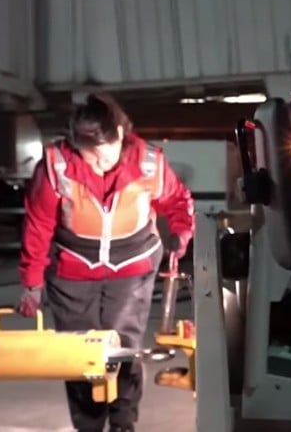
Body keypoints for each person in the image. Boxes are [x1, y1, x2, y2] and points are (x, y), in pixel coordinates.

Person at [16, 94, 195, 432]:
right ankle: (88, 425)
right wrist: (32, 282)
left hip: (133, 268)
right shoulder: (55, 166)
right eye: (90, 155)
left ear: (119, 133)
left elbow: (178, 200)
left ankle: (124, 423)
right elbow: (38, 224)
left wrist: (182, 234)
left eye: (105, 152)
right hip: (72, 270)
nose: (100, 163)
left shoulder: (150, 163)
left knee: (124, 348)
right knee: (77, 352)